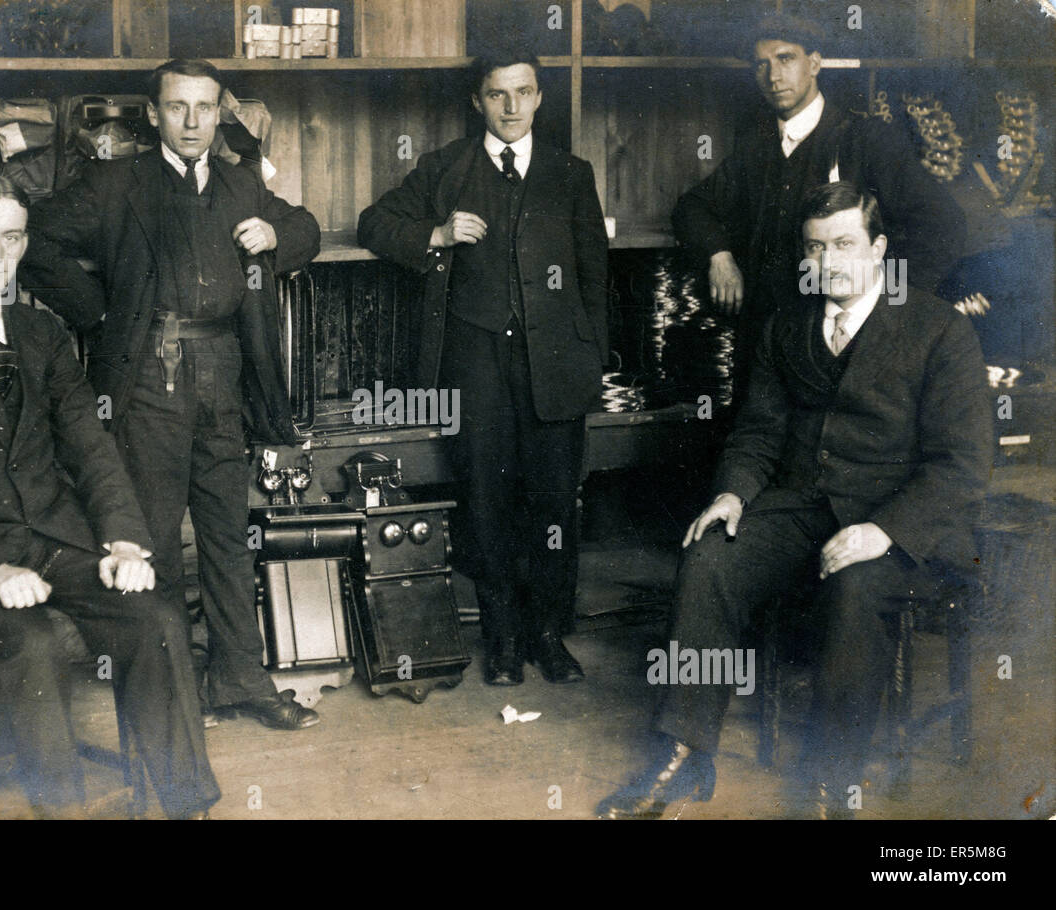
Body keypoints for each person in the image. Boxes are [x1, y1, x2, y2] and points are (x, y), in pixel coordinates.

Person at [596, 182, 991, 819]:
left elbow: (962, 468)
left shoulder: (938, 330)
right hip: (804, 507)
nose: (829, 261)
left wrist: (883, 531)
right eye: (816, 248)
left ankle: (834, 783)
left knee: (856, 588)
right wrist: (732, 494)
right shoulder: (788, 326)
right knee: (710, 556)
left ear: (879, 248)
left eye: (844, 244)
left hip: (903, 521)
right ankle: (682, 753)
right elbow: (758, 431)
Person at [0, 177, 218, 818]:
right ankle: (64, 812)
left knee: (157, 619)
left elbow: (91, 447)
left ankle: (189, 806)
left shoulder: (42, 333)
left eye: (12, 237)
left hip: (50, 540)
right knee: (34, 643)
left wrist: (124, 540)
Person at [19, 59, 322, 730]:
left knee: (226, 535)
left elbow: (308, 229)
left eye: (205, 108)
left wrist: (275, 237)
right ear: (153, 115)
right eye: (178, 107)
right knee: (151, 538)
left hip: (226, 372)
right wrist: (97, 312)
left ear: (220, 115)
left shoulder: (242, 184)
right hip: (150, 379)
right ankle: (172, 692)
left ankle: (241, 680)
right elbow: (34, 240)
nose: (192, 121)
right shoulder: (114, 183)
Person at [357, 51, 610, 686]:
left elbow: (595, 279)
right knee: (488, 504)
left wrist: (591, 363)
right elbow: (374, 223)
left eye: (523, 93)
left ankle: (549, 636)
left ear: (540, 97)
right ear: (478, 101)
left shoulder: (571, 174)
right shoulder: (445, 169)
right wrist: (436, 234)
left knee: (553, 504)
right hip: (476, 369)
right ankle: (501, 642)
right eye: (498, 95)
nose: (512, 107)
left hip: (555, 367)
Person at [672, 13, 965, 401]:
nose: (773, 76)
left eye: (786, 58)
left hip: (843, 344)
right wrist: (719, 255)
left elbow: (944, 224)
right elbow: (692, 206)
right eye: (762, 64)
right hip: (767, 348)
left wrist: (889, 302)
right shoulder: (755, 149)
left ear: (814, 63)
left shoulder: (865, 140)